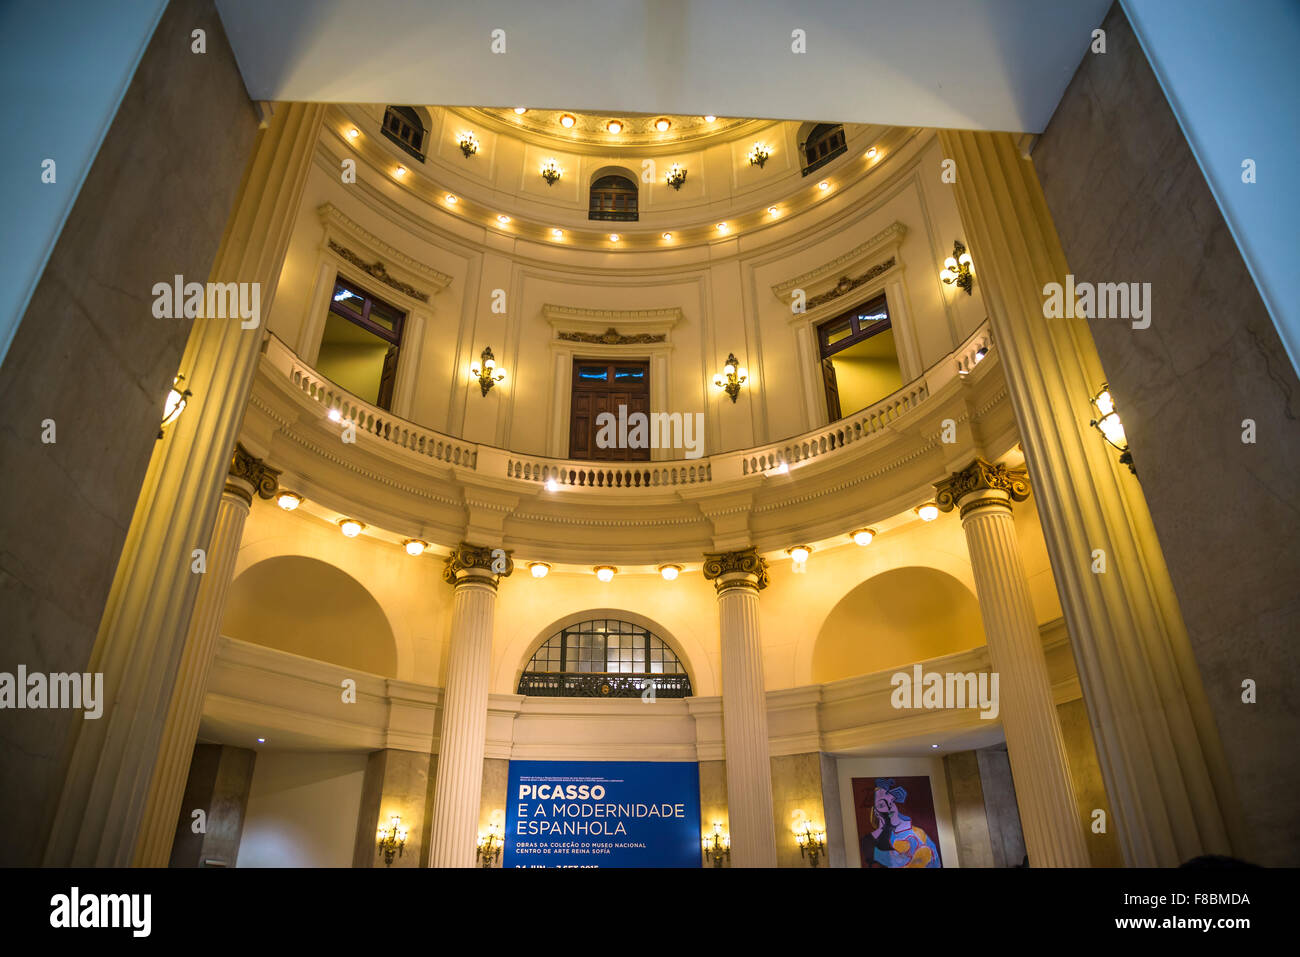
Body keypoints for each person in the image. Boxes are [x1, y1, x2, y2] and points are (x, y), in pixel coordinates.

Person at [864, 778, 941, 867]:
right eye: (882, 805)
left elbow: (935, 861)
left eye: (890, 801)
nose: (889, 807)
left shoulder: (918, 833)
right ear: (876, 812)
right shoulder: (874, 842)